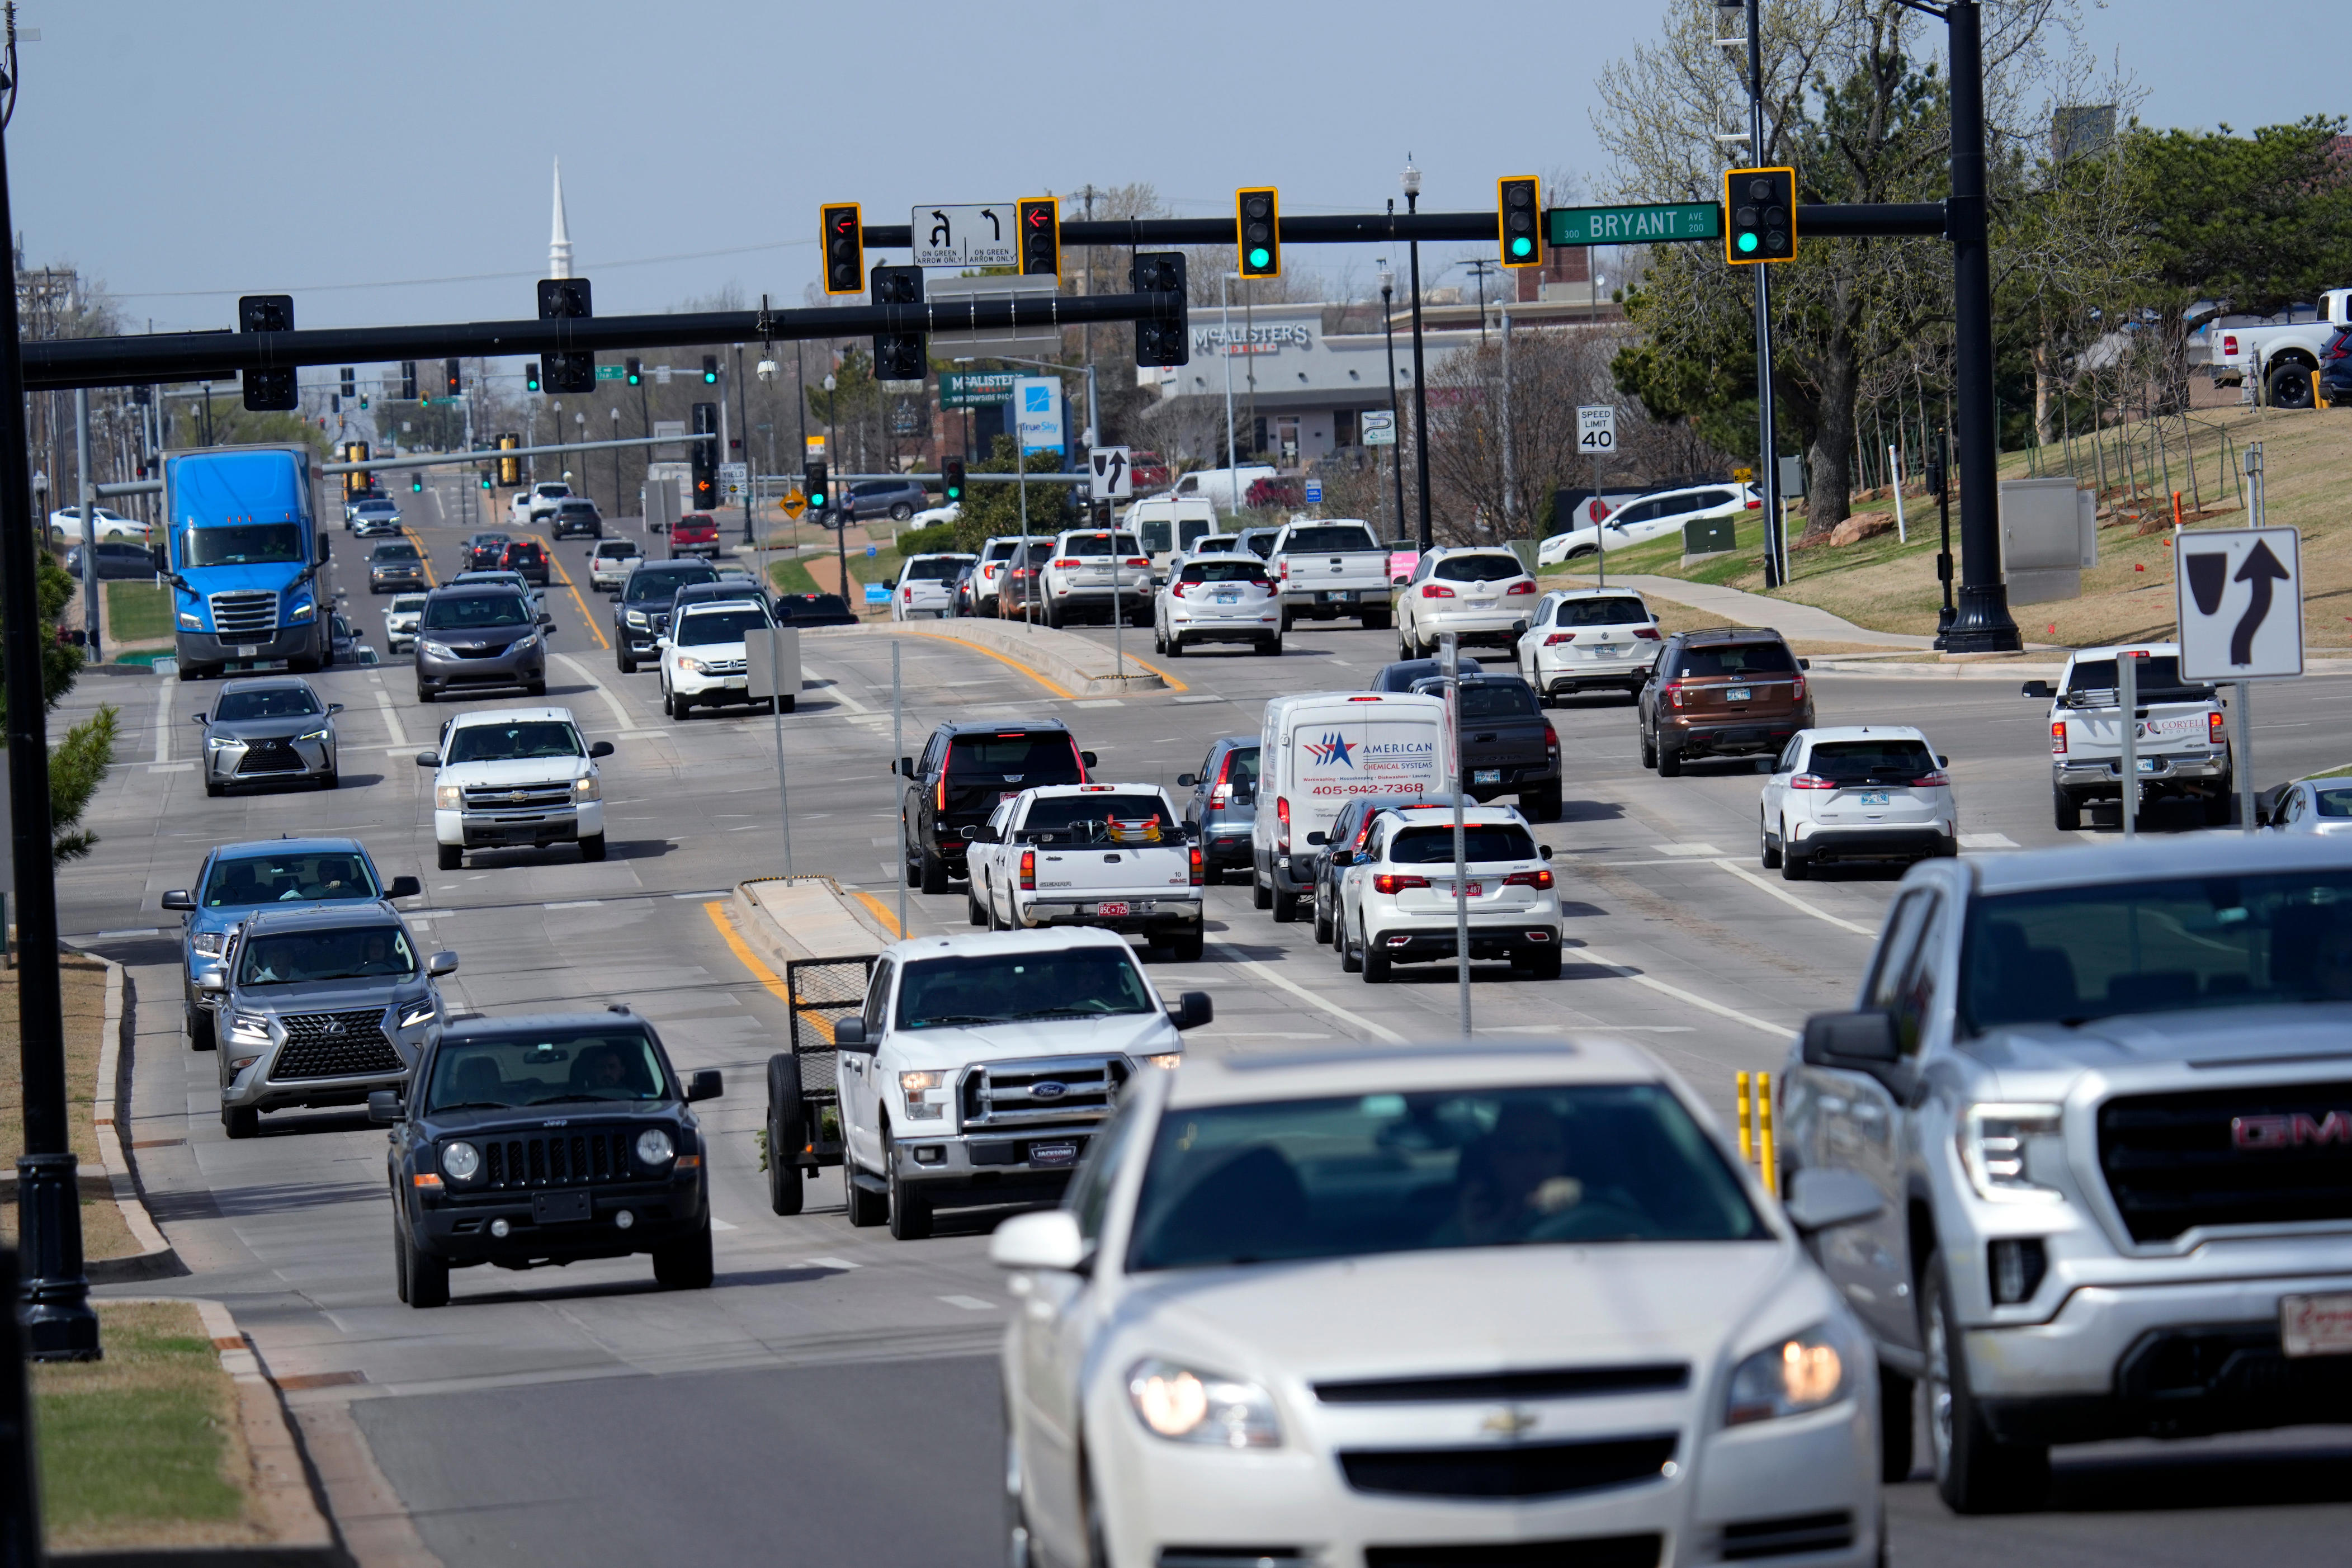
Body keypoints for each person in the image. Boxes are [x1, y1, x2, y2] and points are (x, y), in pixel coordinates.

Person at [1453, 1101, 1583, 1245]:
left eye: (1547, 1147)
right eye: (1517, 1147)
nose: (1534, 1159)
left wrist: (1576, 1200)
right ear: (1494, 1157)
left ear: (1565, 1155)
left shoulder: (1593, 1216)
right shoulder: (1458, 1229)